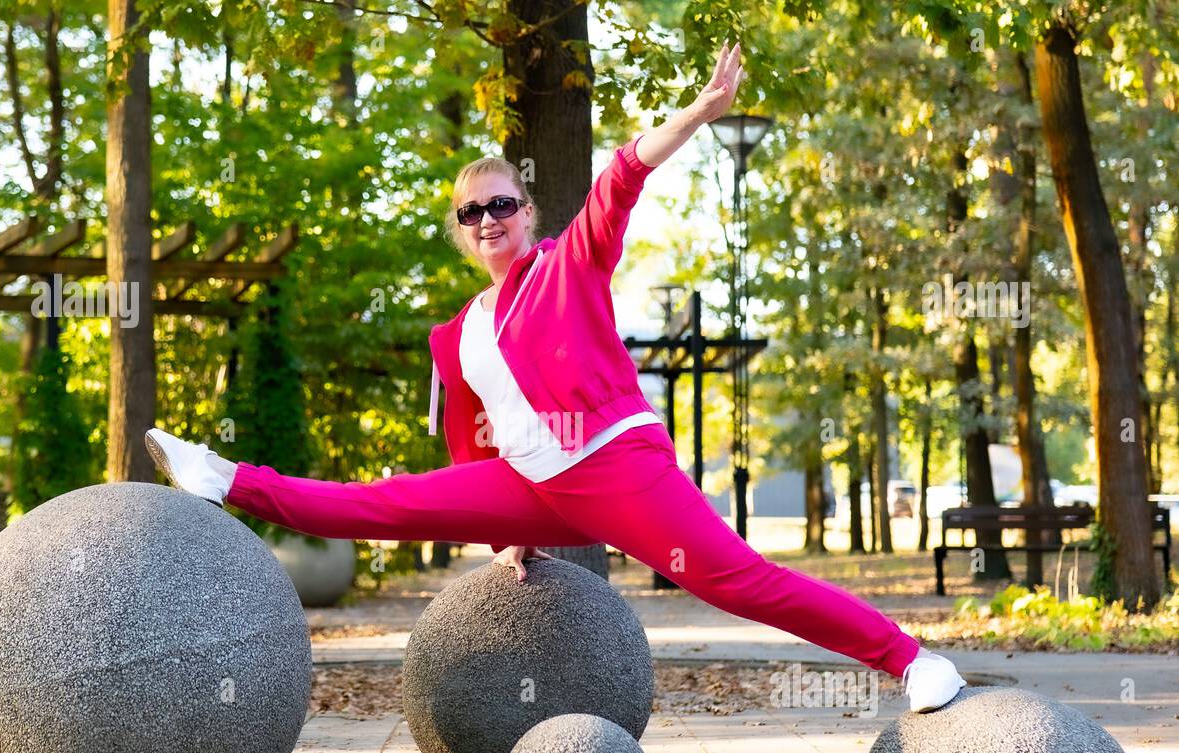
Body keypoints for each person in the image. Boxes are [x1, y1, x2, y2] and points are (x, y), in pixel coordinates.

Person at [144, 41, 965, 713]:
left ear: (527, 213)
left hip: (617, 467)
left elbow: (618, 181)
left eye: (501, 204)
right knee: (381, 503)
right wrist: (504, 534)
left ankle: (907, 658)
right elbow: (472, 439)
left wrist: (697, 114)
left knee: (736, 580)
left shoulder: (566, 265)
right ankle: (223, 477)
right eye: (471, 214)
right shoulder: (458, 333)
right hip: (528, 486)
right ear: (461, 235)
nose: (487, 220)